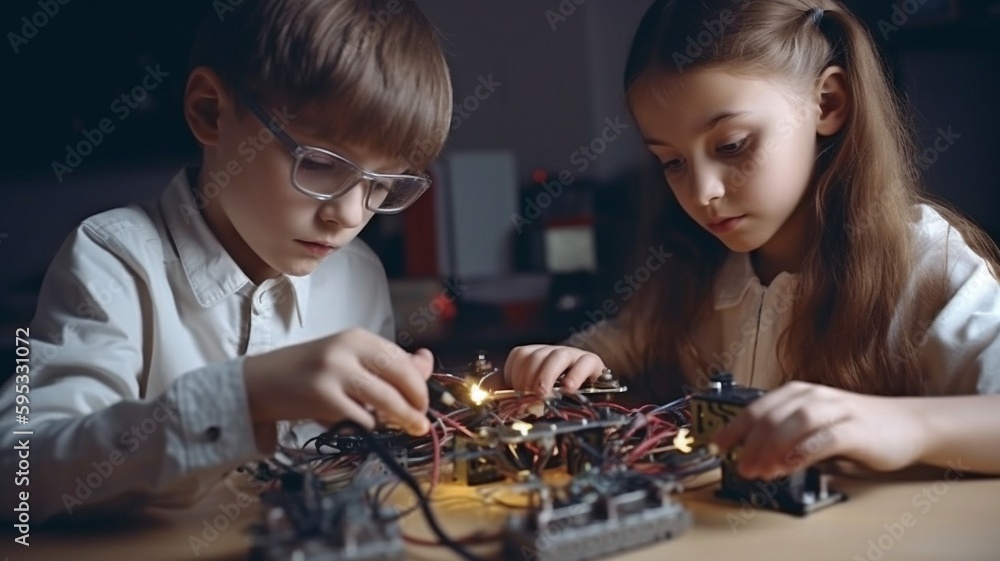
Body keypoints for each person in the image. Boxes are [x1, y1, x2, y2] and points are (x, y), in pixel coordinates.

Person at [505, 0, 1000, 480]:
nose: (702, 193)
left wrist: (900, 426)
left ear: (827, 103)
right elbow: (606, 351)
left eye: (732, 145)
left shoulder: (923, 261)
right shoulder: (696, 270)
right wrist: (565, 363)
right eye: (672, 162)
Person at [0, 0, 452, 522]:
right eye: (320, 164)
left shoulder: (360, 274)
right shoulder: (113, 257)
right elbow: (19, 473)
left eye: (385, 184)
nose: (348, 215)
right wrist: (243, 395)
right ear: (210, 112)